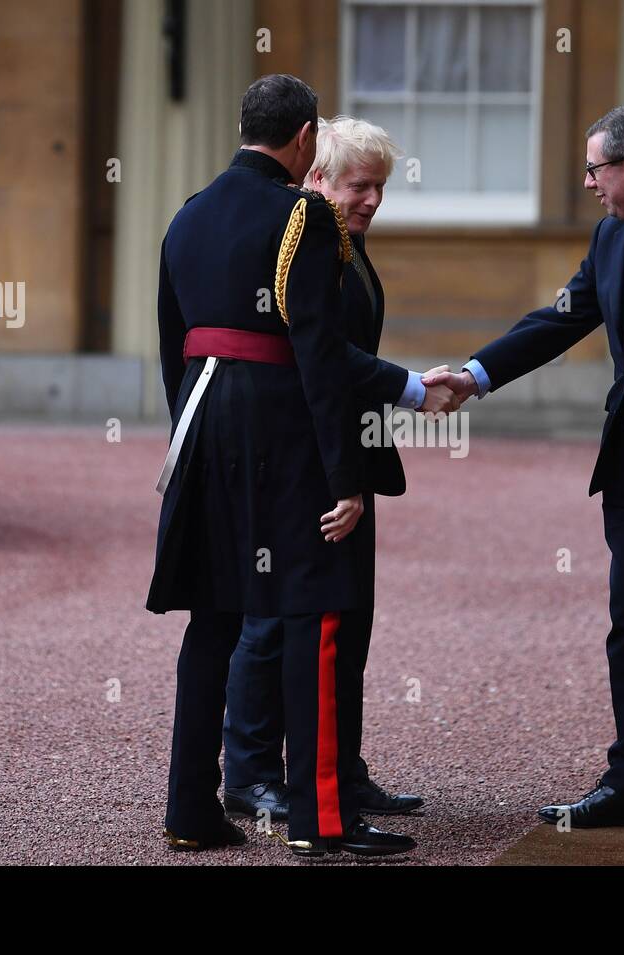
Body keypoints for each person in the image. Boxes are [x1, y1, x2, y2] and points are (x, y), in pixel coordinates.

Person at [145, 75, 451, 857]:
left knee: (211, 621)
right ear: (306, 137)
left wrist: (191, 433)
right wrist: (342, 475)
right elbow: (316, 351)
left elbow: (173, 343)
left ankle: (190, 808)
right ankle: (320, 820)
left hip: (204, 428)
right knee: (316, 611)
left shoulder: (187, 215)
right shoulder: (303, 217)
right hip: (283, 433)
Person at [425, 104, 624, 828]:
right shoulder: (610, 233)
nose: (587, 182)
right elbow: (561, 318)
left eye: (594, 168)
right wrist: (475, 374)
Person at [221, 116, 427, 824]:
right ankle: (249, 773)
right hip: (302, 458)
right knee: (273, 618)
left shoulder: (348, 244)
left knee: (349, 619)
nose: (371, 199)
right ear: (316, 180)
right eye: (357, 185)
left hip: (344, 451)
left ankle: (341, 767)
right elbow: (325, 353)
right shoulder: (309, 243)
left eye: (379, 187)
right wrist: (414, 387)